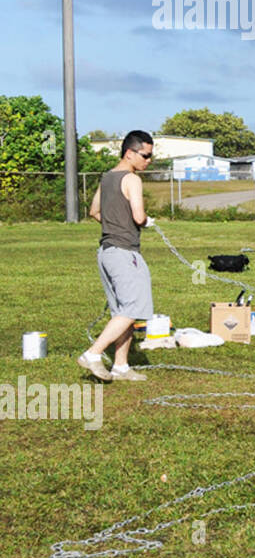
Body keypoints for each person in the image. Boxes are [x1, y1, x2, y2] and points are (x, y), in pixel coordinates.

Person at [79, 130, 156, 383]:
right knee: (133, 307)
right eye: (146, 155)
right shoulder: (132, 180)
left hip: (106, 253)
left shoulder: (106, 178)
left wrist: (114, 224)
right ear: (130, 153)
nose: (149, 161)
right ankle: (93, 354)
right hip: (124, 253)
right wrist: (146, 221)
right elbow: (138, 216)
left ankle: (121, 366)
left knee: (121, 311)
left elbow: (94, 211)